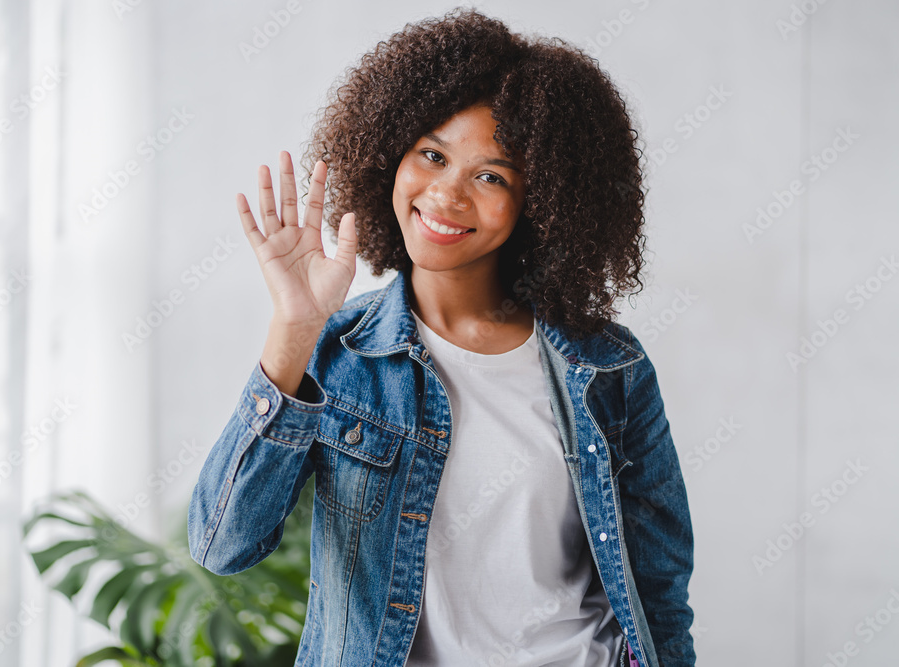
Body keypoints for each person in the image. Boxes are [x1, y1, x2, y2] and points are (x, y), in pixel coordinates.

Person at [188, 7, 694, 667]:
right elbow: (223, 543)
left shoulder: (609, 368)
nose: (446, 193)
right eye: (432, 154)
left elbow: (658, 587)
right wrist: (293, 328)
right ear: (391, 153)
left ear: (539, 202)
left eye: (491, 176)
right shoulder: (338, 354)